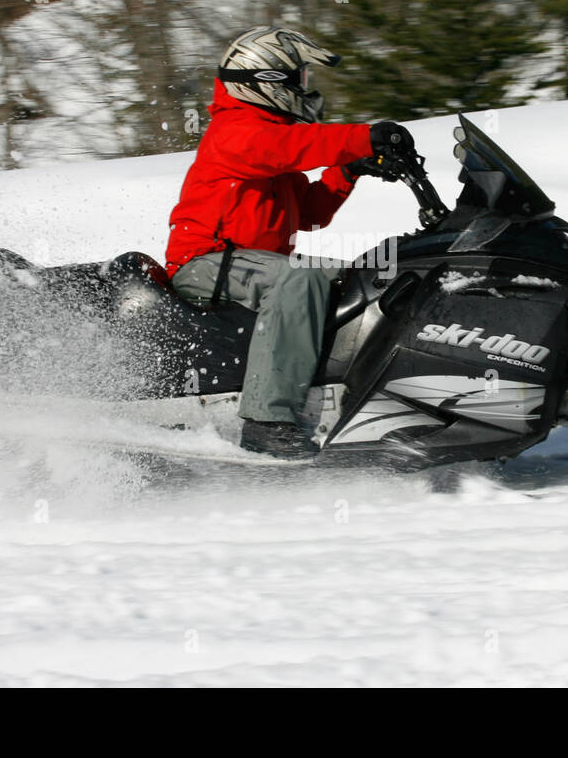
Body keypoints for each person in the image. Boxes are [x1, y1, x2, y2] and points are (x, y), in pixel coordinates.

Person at [165, 25, 415, 456]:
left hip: (254, 263)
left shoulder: (272, 139)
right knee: (298, 278)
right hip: (205, 263)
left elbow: (312, 214)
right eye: (299, 79)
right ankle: (266, 419)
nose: (305, 89)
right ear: (267, 82)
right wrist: (363, 137)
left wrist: (350, 170)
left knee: (369, 276)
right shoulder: (237, 130)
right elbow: (291, 148)